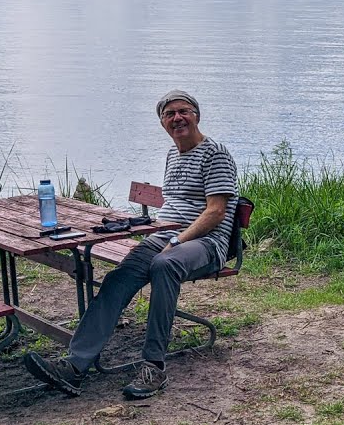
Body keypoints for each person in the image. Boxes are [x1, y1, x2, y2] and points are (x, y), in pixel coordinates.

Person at [24, 90, 238, 399]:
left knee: (165, 265)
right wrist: (156, 233)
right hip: (164, 237)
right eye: (170, 114)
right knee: (119, 277)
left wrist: (176, 240)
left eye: (184, 111)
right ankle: (74, 366)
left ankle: (154, 366)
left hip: (206, 243)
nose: (177, 118)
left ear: (197, 116)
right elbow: (174, 206)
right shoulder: (173, 154)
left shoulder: (215, 154)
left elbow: (216, 212)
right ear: (162, 123)